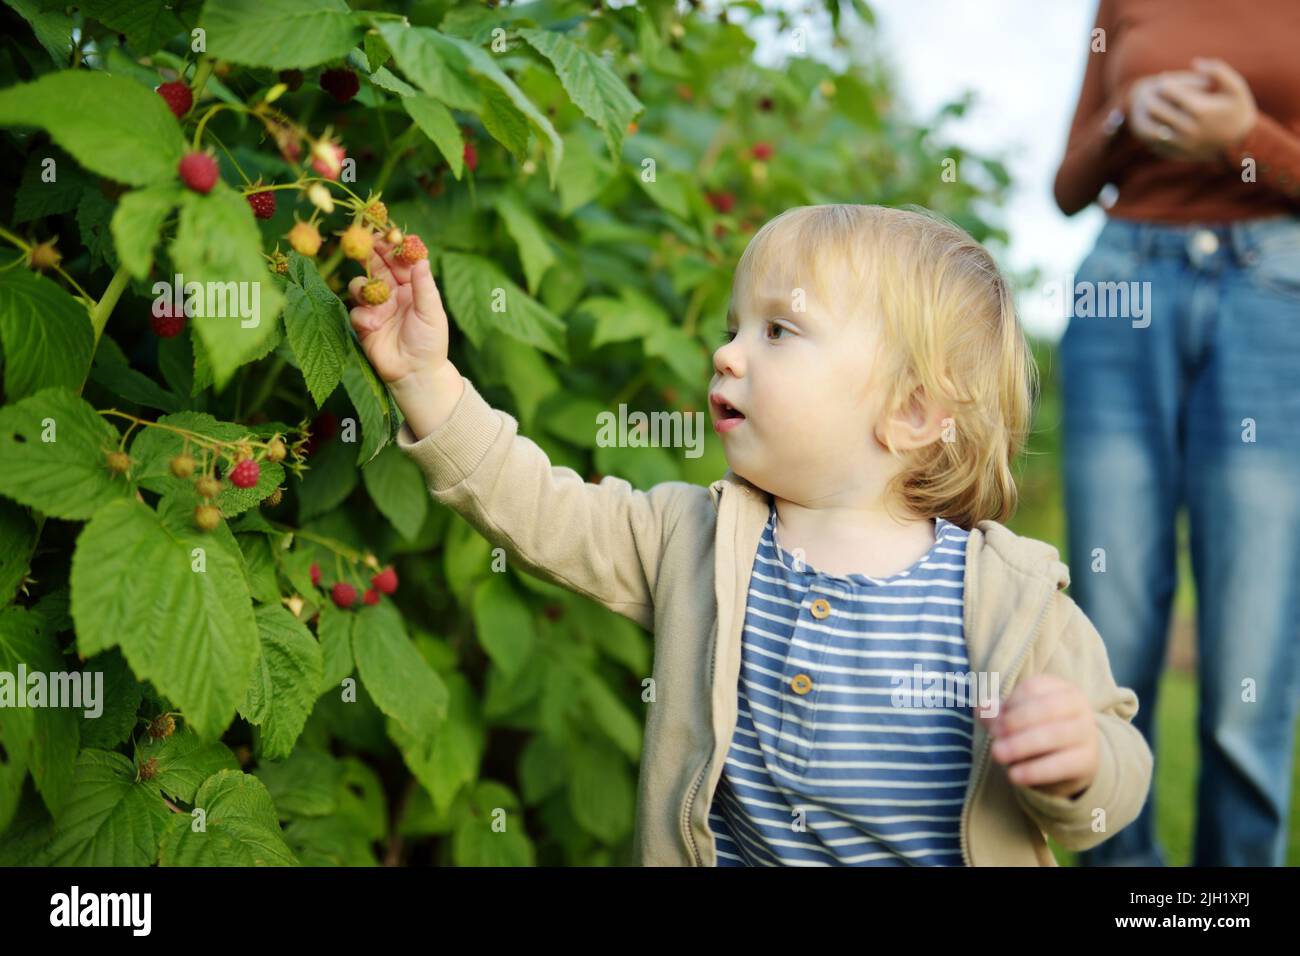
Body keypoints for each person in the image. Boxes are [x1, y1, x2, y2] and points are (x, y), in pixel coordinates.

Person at [355, 204, 1152, 866]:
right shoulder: (694, 540)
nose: (726, 352)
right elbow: (538, 507)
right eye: (737, 325)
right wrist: (427, 381)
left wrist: (1079, 763)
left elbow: (1116, 775)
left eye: (778, 331)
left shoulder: (1002, 602)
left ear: (910, 412)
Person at [1054, 0, 1300, 866]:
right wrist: (1126, 120)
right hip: (1123, 285)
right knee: (1110, 623)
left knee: (1253, 638)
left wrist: (1248, 139)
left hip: (1275, 296)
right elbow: (1068, 186)